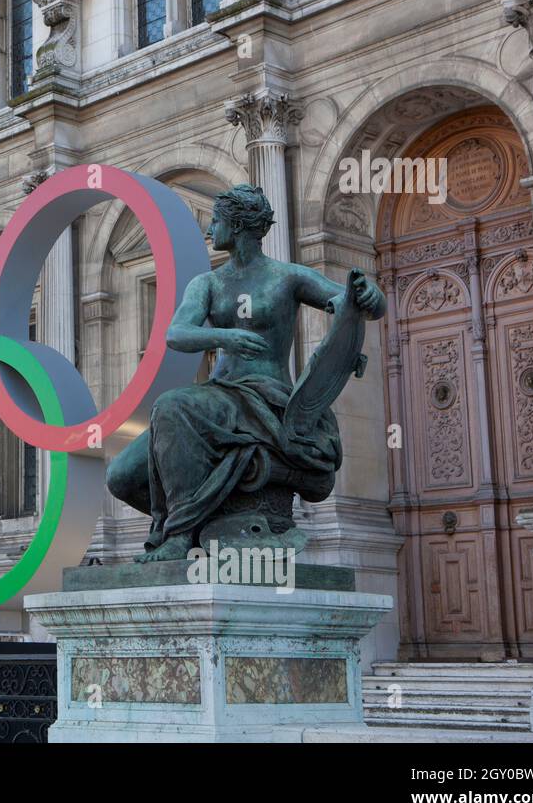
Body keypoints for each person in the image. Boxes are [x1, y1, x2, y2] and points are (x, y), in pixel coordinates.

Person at [105, 184, 386, 560]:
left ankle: (179, 535)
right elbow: (176, 334)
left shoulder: (288, 277)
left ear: (237, 227)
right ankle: (208, 520)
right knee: (120, 476)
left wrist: (370, 295)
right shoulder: (207, 283)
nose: (210, 231)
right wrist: (226, 337)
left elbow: (348, 300)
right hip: (222, 393)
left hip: (268, 396)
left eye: (216, 222)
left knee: (172, 405)